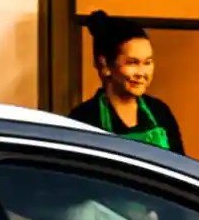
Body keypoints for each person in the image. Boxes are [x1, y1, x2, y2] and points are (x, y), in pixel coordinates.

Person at [69, 10, 185, 156]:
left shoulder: (160, 112)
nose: (141, 73)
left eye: (147, 62)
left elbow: (180, 166)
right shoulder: (84, 119)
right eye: (132, 63)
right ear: (105, 65)